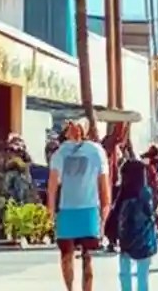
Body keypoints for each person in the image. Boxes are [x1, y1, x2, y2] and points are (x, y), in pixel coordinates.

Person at [48, 119, 111, 291]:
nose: (74, 131)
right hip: (67, 209)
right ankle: (70, 288)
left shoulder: (96, 151)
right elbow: (53, 182)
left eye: (77, 127)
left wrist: (105, 207)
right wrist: (51, 208)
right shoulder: (61, 152)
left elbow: (103, 181)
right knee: (66, 254)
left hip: (89, 208)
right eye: (71, 128)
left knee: (87, 255)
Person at [112, 159, 158, 291]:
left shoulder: (122, 193)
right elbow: (150, 213)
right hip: (144, 238)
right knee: (142, 274)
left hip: (126, 239)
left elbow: (115, 215)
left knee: (125, 272)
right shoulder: (145, 192)